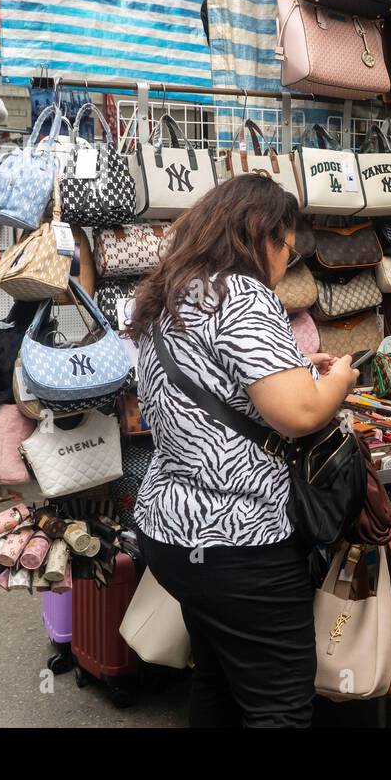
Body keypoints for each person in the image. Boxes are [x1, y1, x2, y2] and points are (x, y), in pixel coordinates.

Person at [126, 175, 358, 727]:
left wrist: (300, 371)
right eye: (286, 243)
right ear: (260, 235)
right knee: (279, 705)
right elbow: (299, 414)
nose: (288, 256)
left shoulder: (174, 292)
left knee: (217, 679)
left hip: (171, 530)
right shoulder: (242, 294)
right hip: (240, 538)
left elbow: (214, 393)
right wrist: (340, 379)